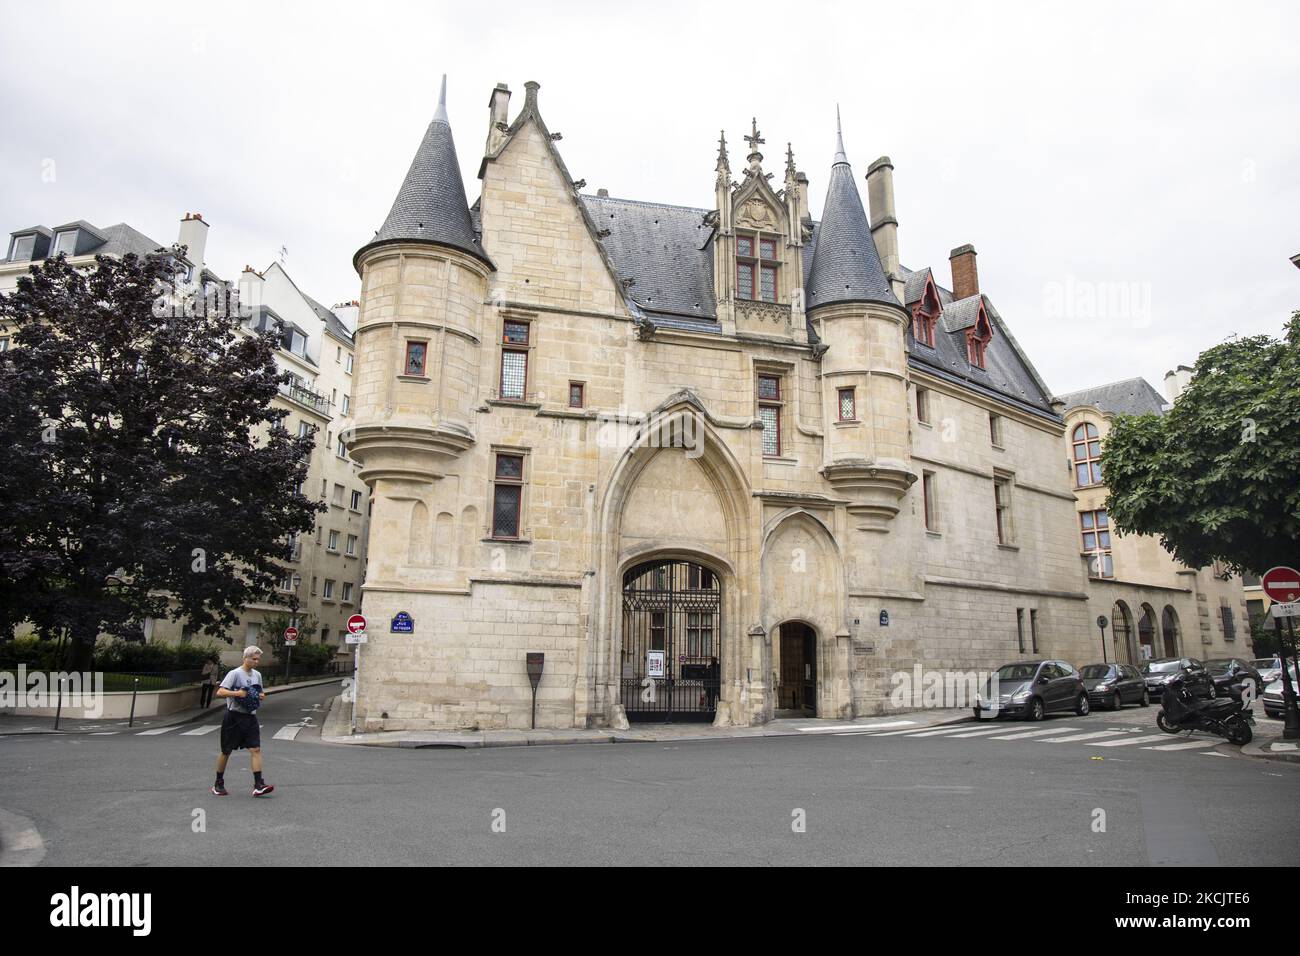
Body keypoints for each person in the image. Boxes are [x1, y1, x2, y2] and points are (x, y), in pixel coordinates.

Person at [211, 645, 273, 797]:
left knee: (256, 749)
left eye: (258, 659)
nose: (256, 662)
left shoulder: (257, 675)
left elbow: (260, 691)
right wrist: (237, 693)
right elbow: (220, 692)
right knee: (226, 751)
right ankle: (218, 783)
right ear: (245, 658)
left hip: (250, 716)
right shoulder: (235, 674)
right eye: (254, 659)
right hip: (234, 716)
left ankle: (258, 785)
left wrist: (261, 696)